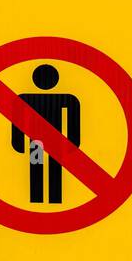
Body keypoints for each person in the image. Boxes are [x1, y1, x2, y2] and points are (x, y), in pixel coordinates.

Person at [11, 64, 81, 203]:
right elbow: (18, 122)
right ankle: (41, 198)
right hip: (42, 142)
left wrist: (18, 143)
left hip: (42, 142)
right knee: (42, 169)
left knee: (45, 168)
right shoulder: (25, 99)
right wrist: (73, 143)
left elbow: (73, 120)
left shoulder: (67, 99)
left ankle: (49, 198)